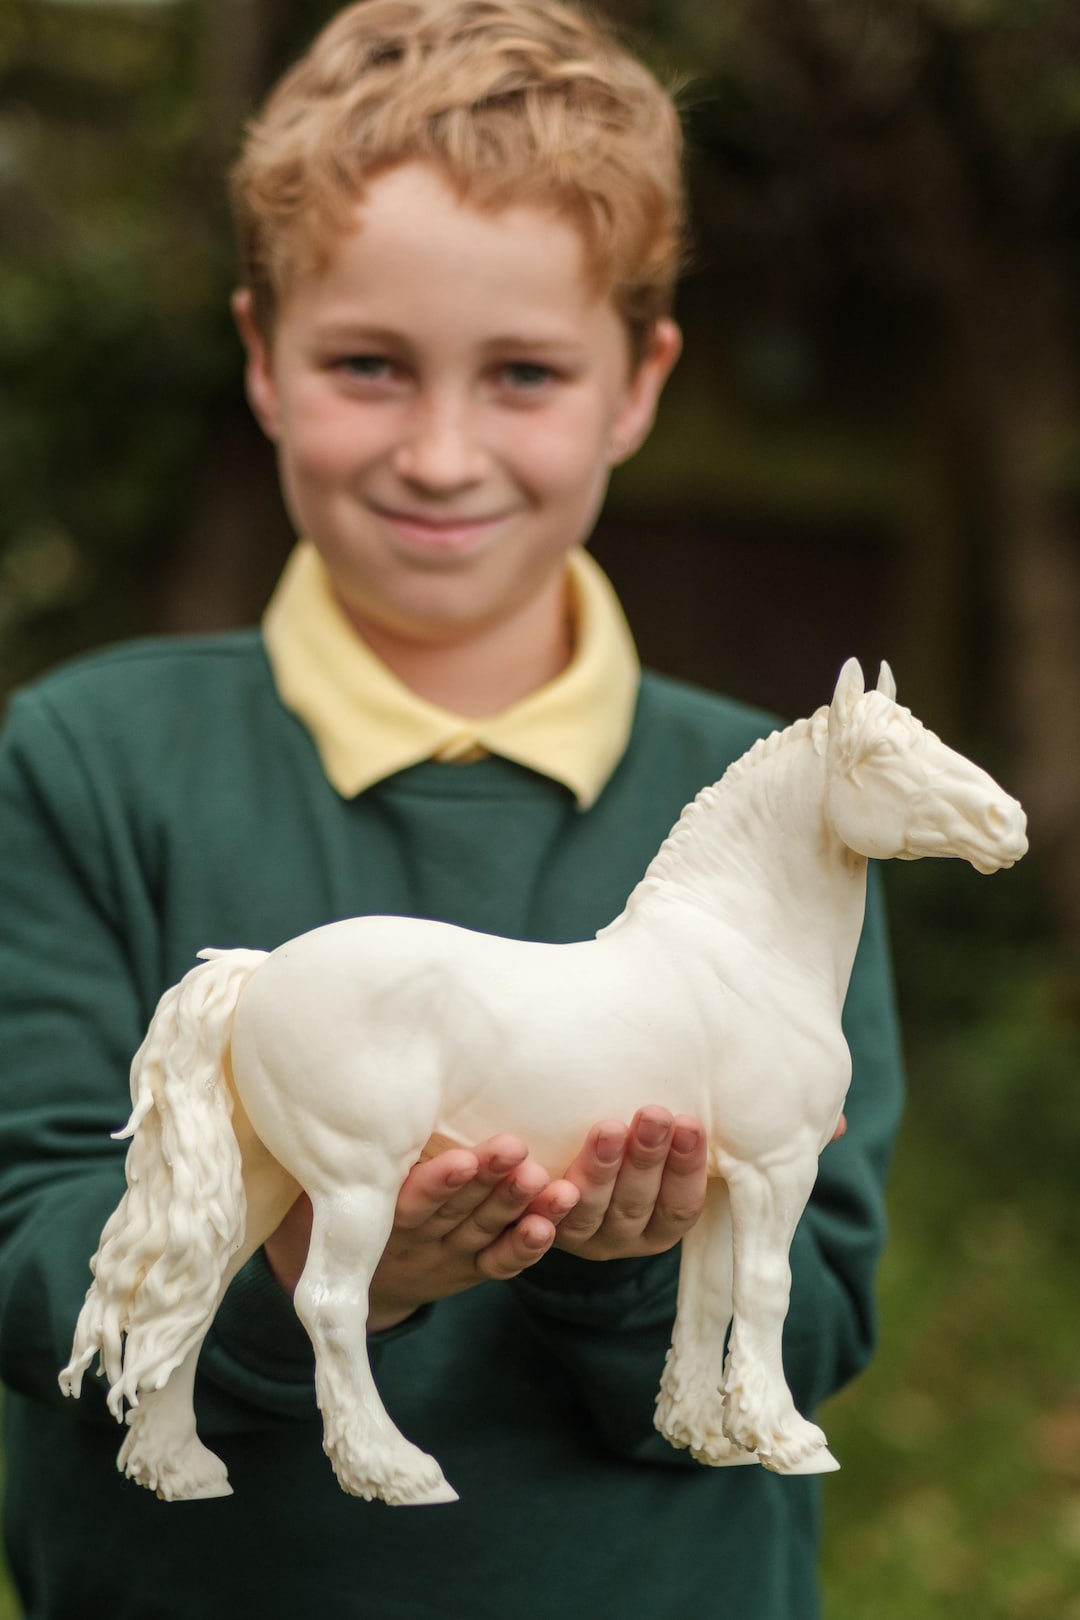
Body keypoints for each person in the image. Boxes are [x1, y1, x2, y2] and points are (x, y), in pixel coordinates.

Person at [0, 3, 903, 1616]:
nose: (439, 451)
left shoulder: (793, 808)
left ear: (639, 385)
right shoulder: (83, 760)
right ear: (261, 356)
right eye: (367, 365)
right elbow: (27, 1236)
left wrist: (624, 1275)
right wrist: (329, 1267)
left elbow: (818, 1305)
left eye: (526, 374)